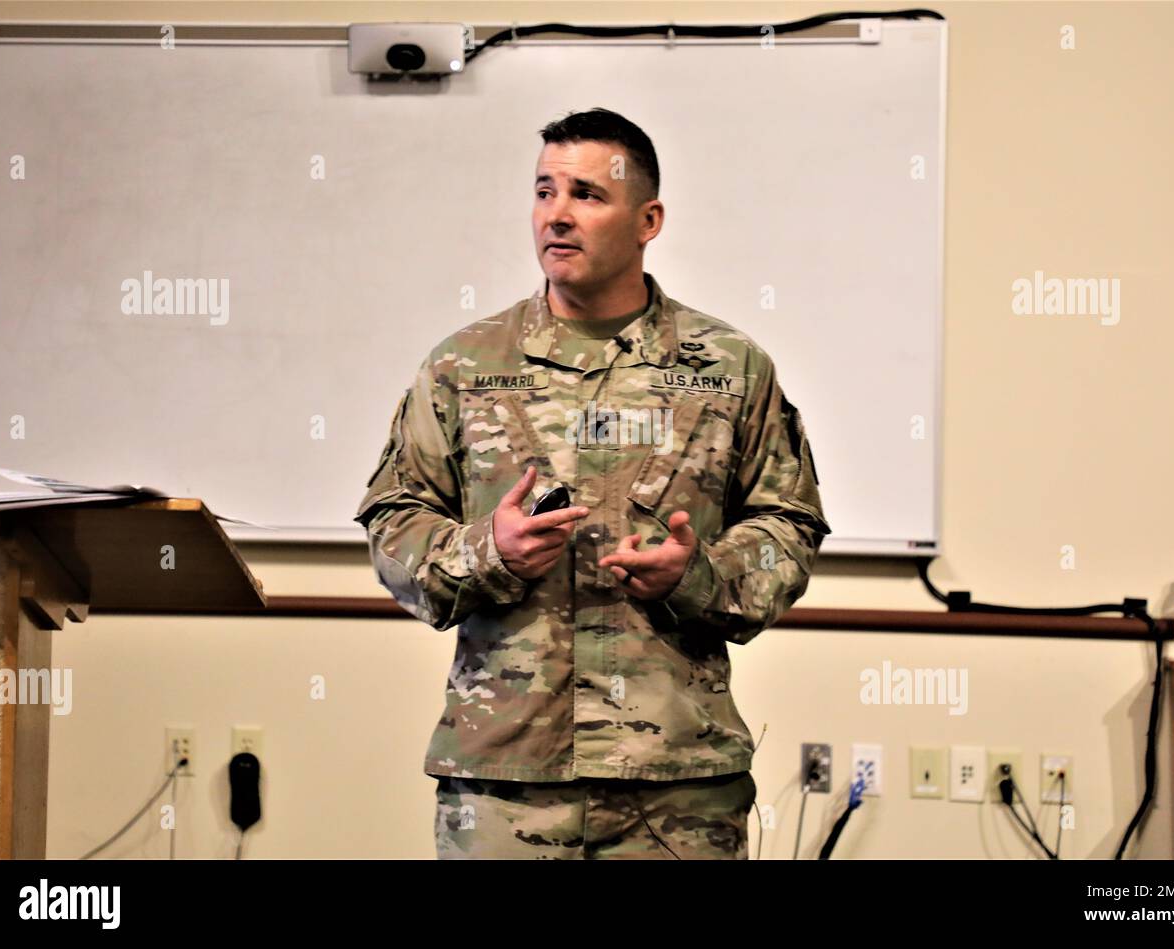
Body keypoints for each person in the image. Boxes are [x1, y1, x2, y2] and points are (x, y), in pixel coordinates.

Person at [354, 107, 830, 859]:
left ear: (649, 219)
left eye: (586, 194)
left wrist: (696, 573)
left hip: (677, 783)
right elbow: (394, 520)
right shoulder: (464, 368)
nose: (558, 216)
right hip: (507, 780)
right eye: (544, 192)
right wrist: (487, 552)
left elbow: (787, 526)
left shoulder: (727, 369)